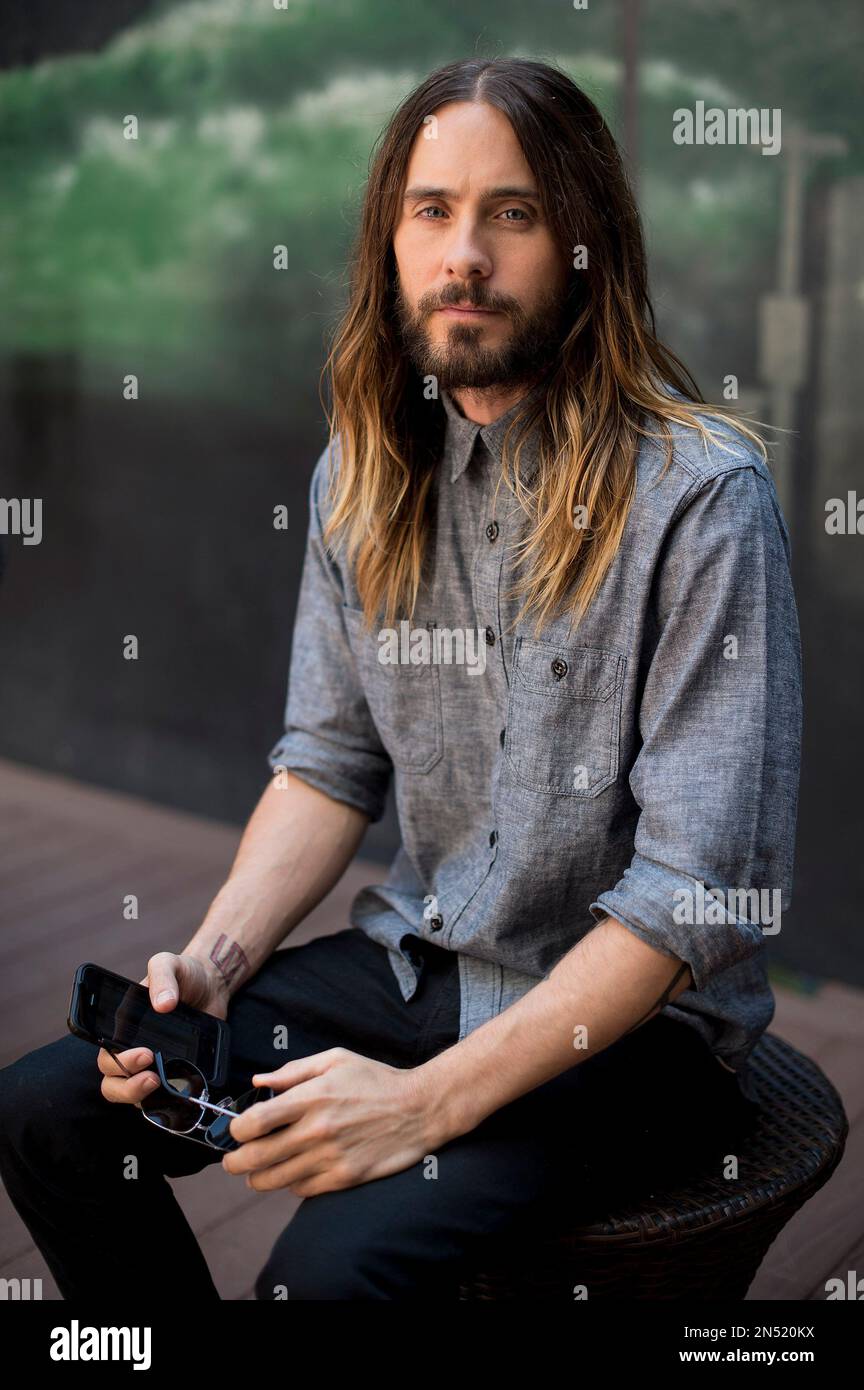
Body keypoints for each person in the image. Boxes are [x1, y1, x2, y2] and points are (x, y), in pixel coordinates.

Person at [0, 57, 800, 1301]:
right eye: (431, 211)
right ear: (390, 239)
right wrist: (214, 961)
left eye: (513, 213)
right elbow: (327, 764)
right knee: (49, 1109)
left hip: (625, 1032)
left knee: (325, 1276)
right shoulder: (365, 472)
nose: (463, 253)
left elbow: (690, 897)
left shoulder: (700, 499)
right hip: (422, 963)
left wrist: (420, 1110)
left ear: (587, 240)